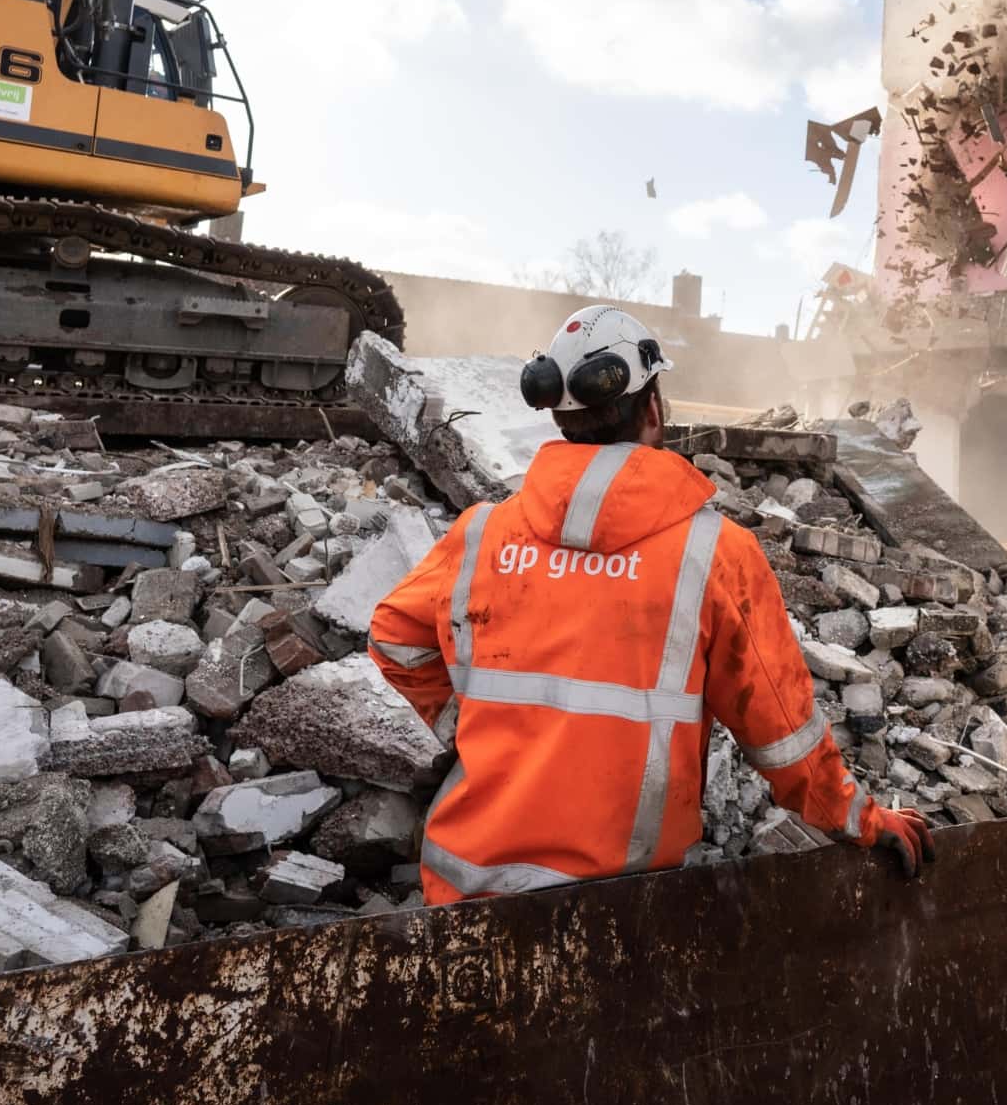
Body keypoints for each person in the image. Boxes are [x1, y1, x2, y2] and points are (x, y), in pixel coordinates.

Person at [367, 304, 934, 903]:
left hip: (463, 895)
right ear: (655, 409)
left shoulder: (483, 533)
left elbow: (392, 636)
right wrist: (863, 821)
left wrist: (468, 726)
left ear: (559, 416)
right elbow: (783, 737)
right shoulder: (714, 553)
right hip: (622, 907)